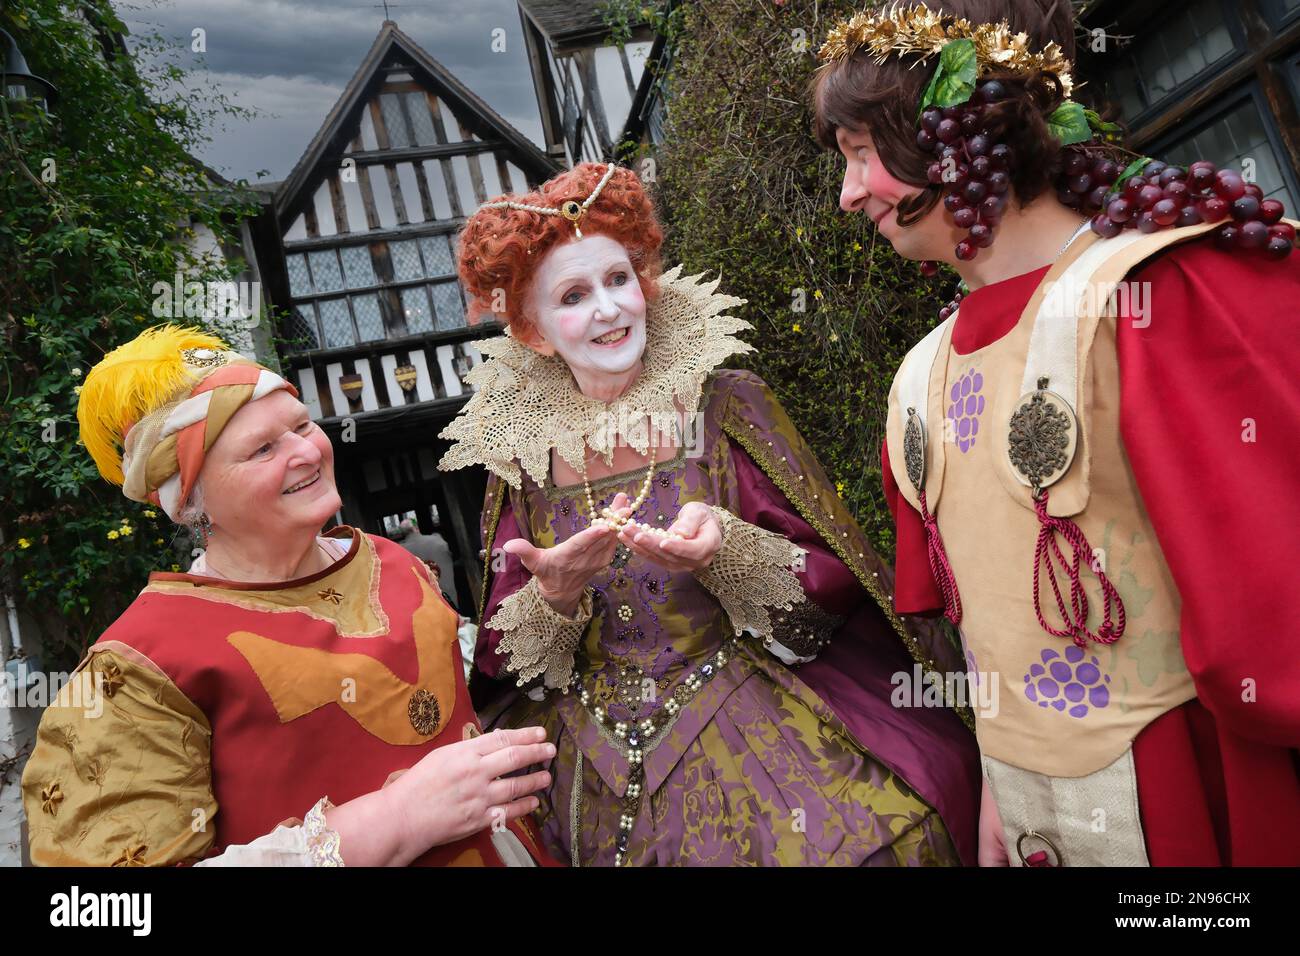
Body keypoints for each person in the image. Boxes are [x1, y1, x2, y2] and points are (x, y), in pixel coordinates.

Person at [811, 0, 1300, 865]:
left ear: (952, 136)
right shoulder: (919, 379)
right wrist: (1005, 777)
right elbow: (982, 627)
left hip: (1195, 805)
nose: (848, 195)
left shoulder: (1158, 295)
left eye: (860, 155)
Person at [438, 161, 981, 866]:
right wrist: (554, 595)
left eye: (617, 279)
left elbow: (832, 589)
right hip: (588, 747)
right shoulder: (521, 456)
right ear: (535, 331)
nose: (607, 308)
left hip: (752, 698)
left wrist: (728, 550)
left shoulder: (725, 403)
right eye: (573, 295)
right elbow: (513, 669)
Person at [21, 326, 557, 866]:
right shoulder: (136, 668)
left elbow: (465, 699)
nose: (306, 452)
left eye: (301, 426)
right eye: (262, 449)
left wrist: (554, 601)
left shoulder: (391, 562)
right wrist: (398, 818)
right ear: (189, 501)